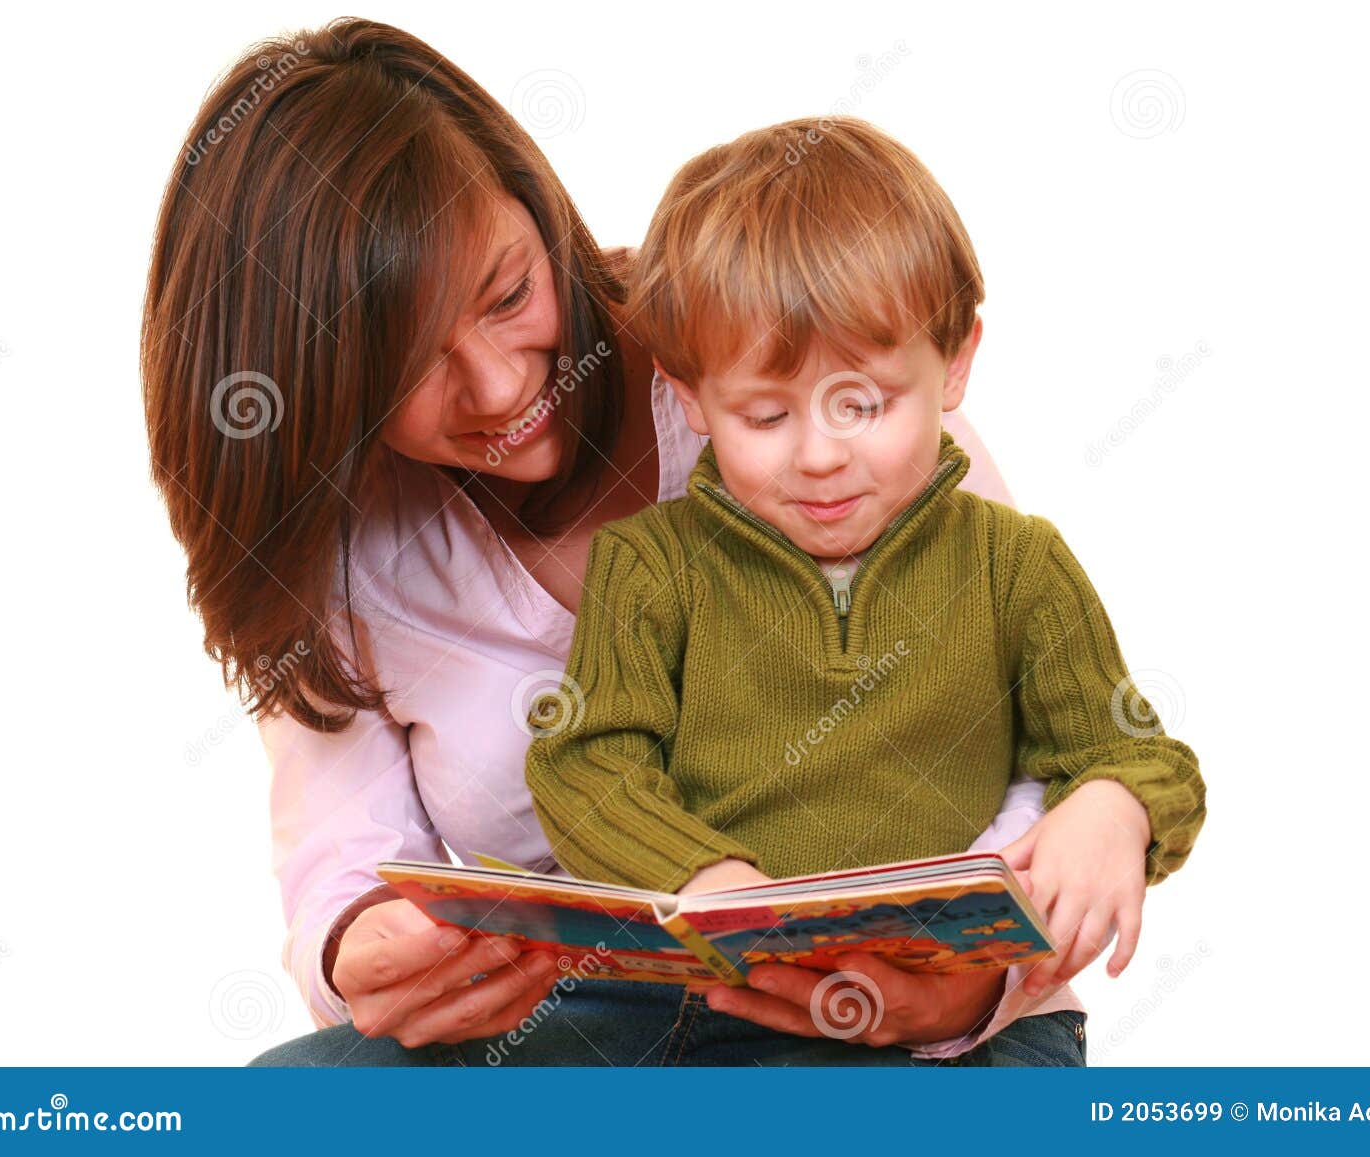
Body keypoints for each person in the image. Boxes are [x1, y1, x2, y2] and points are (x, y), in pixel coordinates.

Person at [139, 18, 1097, 1065]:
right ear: (320, 395)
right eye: (405, 365)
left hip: (905, 1023)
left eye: (508, 293)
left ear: (537, 204)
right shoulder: (344, 534)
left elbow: (1049, 744)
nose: (502, 387)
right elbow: (345, 850)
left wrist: (971, 984)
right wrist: (362, 947)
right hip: (582, 1024)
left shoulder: (780, 344)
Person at [520, 116, 1207, 1062]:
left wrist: (1114, 805)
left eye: (864, 403)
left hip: (956, 1012)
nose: (817, 455)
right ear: (688, 396)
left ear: (956, 362)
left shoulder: (1017, 563)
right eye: (763, 413)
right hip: (715, 993)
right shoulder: (652, 565)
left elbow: (1140, 754)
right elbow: (584, 764)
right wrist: (708, 878)